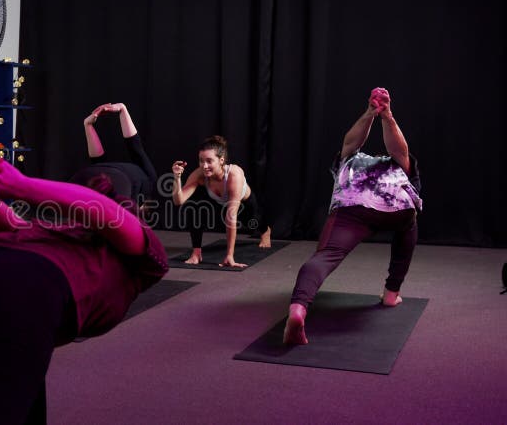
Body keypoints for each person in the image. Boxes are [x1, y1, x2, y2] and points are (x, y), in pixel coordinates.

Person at [0, 157, 168, 424]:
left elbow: (1, 229)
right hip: (14, 295)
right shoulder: (136, 256)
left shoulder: (57, 234)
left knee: (13, 380)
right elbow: (109, 214)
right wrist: (15, 186)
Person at [283, 87, 422, 345]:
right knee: (409, 225)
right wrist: (385, 115)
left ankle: (298, 309)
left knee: (324, 257)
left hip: (353, 206)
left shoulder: (350, 161)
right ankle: (392, 293)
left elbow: (350, 142)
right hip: (397, 208)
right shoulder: (398, 164)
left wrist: (372, 113)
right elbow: (399, 151)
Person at [171, 136, 273, 268]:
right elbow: (178, 200)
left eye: (209, 161)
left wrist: (229, 256)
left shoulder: (234, 175)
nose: (204, 166)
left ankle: (265, 230)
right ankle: (196, 252)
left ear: (221, 160)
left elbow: (231, 217)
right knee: (195, 207)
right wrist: (177, 177)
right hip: (218, 203)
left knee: (252, 223)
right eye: (201, 161)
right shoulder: (199, 174)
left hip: (244, 204)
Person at [68, 103, 158, 212]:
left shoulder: (143, 181)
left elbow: (98, 160)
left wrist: (88, 125)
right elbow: (135, 147)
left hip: (89, 175)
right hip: (95, 178)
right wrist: (123, 109)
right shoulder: (149, 182)